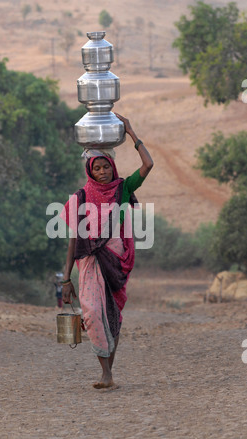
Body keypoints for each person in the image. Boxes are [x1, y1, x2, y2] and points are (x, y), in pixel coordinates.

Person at [61, 113, 154, 391]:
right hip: (89, 263)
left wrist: (131, 132)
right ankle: (105, 373)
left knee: (112, 315)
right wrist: (65, 280)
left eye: (106, 167)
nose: (103, 172)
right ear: (90, 170)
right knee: (90, 313)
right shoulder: (81, 197)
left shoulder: (123, 189)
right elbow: (73, 240)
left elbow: (148, 164)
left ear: (113, 166)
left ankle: (107, 375)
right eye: (98, 168)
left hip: (116, 261)